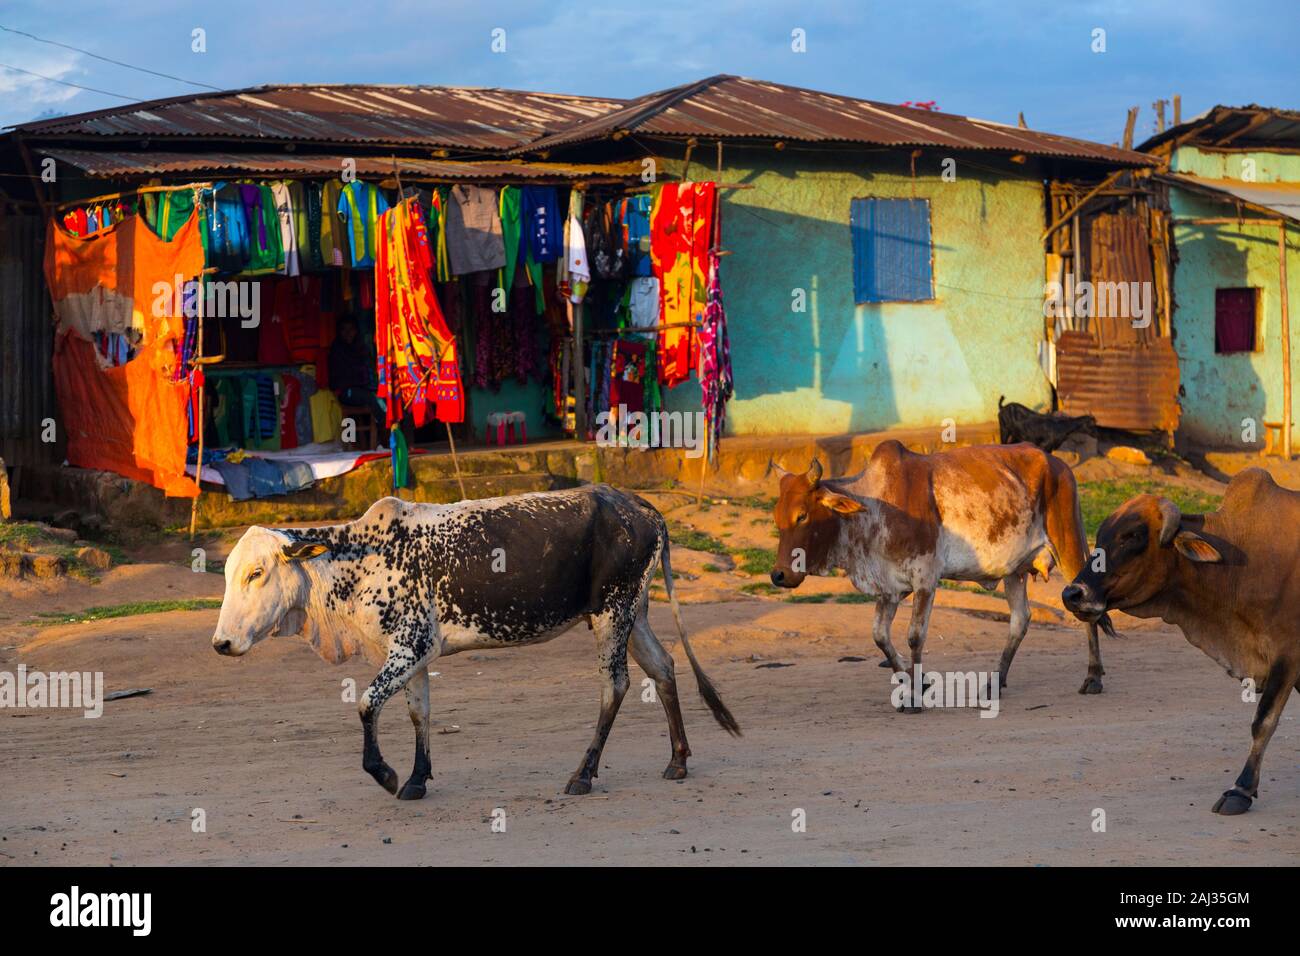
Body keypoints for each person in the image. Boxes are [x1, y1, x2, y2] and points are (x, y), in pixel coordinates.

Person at [329, 314, 384, 425]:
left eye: (351, 329)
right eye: (344, 330)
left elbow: (368, 372)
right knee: (370, 398)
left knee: (383, 396)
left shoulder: (360, 347)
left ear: (356, 331)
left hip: (364, 389)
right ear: (339, 332)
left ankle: (382, 434)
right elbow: (339, 378)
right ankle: (387, 429)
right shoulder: (337, 349)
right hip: (345, 392)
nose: (348, 333)